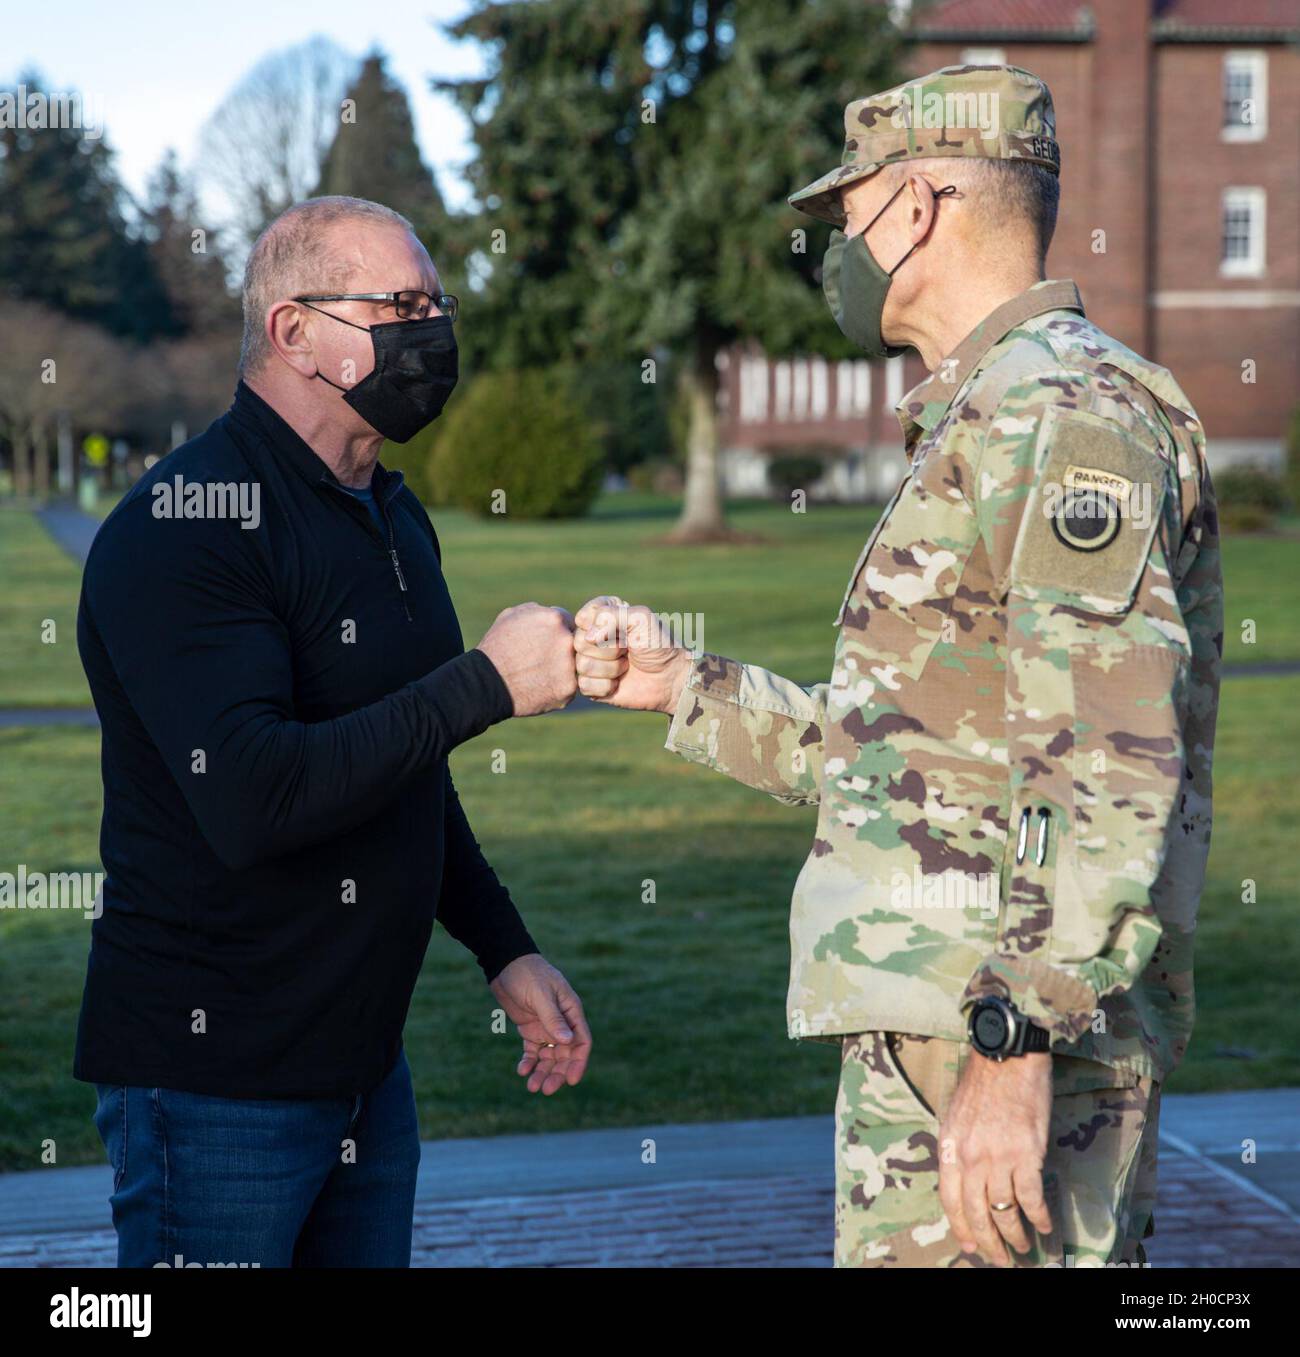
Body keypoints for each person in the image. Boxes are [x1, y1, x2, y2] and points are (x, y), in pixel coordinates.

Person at [574, 65, 1223, 1269]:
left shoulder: (1056, 410)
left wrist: (1013, 1043)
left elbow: (1103, 755)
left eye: (848, 214)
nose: (838, 252)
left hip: (1004, 1047)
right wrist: (683, 689)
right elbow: (909, 764)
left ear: (916, 206)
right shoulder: (988, 409)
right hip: (946, 1038)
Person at [77, 195, 589, 1268]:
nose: (431, 331)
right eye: (400, 306)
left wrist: (502, 944)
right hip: (215, 1082)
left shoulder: (389, 512)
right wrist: (487, 683)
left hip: (364, 1069)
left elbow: (403, 765)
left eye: (437, 305)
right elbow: (256, 796)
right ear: (294, 331)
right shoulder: (184, 526)